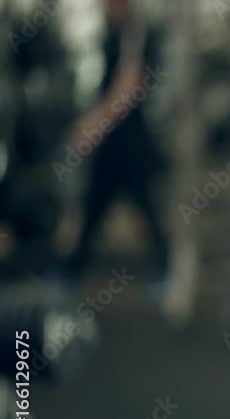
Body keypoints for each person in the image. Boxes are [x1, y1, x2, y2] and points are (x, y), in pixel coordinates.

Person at [64, 0, 169, 283]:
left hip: (131, 140)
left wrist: (91, 124)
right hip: (112, 141)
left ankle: (164, 270)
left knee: (144, 205)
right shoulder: (112, 32)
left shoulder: (137, 34)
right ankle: (72, 270)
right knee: (95, 205)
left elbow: (127, 88)